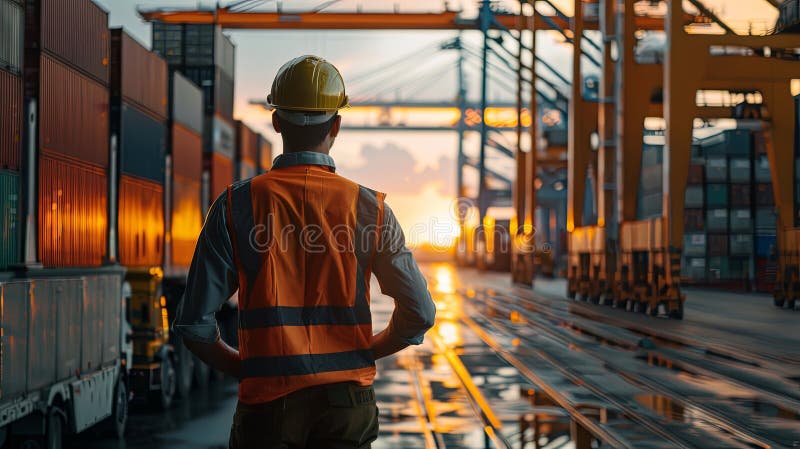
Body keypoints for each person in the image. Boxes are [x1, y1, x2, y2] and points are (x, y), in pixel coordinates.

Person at [172, 55, 436, 449]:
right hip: (346, 407)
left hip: (267, 407)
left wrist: (249, 368)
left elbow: (194, 324)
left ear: (276, 122)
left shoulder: (235, 206)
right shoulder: (371, 210)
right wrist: (367, 351)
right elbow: (420, 314)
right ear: (336, 126)